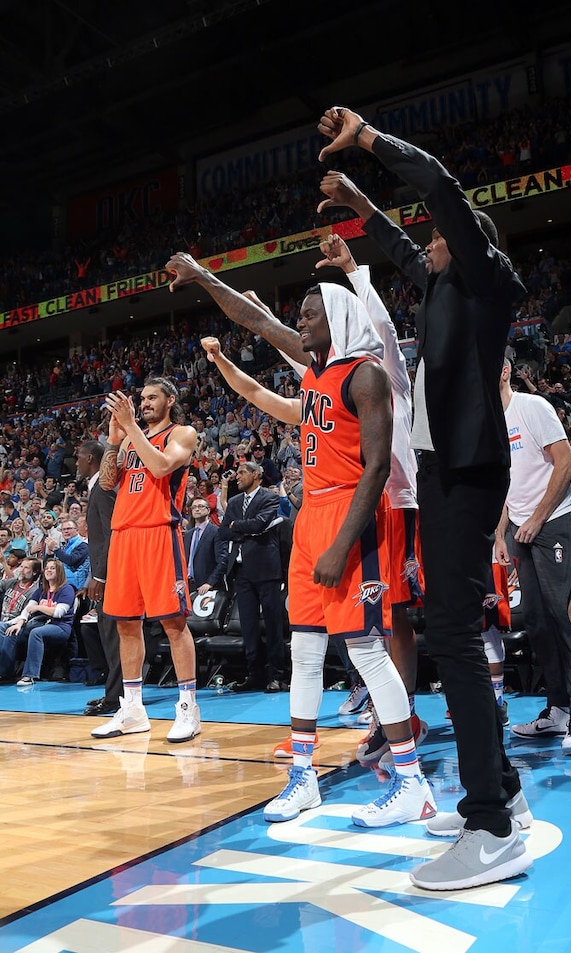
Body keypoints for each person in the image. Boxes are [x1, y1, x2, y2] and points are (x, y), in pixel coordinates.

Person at [314, 105, 530, 889]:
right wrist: (361, 215)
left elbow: (438, 190)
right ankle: (504, 792)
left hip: (467, 470)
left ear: (470, 241)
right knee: (452, 631)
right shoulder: (446, 284)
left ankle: (491, 824)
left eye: (443, 234)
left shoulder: (482, 280)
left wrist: (370, 140)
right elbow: (407, 246)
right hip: (448, 469)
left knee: (452, 634)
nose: (429, 243)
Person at [166, 253, 436, 828]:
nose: (301, 321)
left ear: (337, 318)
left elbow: (377, 466)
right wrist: (204, 277)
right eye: (301, 314)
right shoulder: (315, 373)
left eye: (311, 314)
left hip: (352, 516)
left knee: (364, 648)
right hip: (311, 515)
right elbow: (257, 322)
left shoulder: (365, 375)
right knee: (306, 651)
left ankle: (412, 781)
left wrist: (342, 543)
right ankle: (304, 776)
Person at [311, 228, 428, 760]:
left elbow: (378, 324)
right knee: (374, 621)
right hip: (364, 504)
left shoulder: (383, 370)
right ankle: (392, 713)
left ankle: (403, 718)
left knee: (395, 615)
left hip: (397, 500)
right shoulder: (335, 374)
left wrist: (355, 271)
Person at [90, 377, 201, 744]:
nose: (145, 402)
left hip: (159, 532)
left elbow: (160, 467)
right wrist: (112, 438)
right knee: (124, 624)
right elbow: (107, 483)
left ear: (170, 400)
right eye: (142, 398)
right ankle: (133, 709)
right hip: (124, 535)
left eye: (152, 397)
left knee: (172, 622)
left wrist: (132, 427)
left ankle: (188, 708)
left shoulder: (182, 433)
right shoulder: (127, 440)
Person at [496, 357, 571, 752]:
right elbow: (505, 483)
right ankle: (556, 709)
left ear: (503, 370)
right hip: (520, 527)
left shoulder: (531, 407)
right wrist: (500, 534)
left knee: (563, 611)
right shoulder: (491, 422)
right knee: (535, 620)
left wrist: (537, 519)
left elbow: (567, 463)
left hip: (554, 520)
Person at [217, 460, 287, 692]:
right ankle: (254, 675)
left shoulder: (269, 497)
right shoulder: (235, 502)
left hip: (267, 571)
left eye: (242, 472)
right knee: (248, 627)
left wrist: (240, 526)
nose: (237, 476)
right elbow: (224, 531)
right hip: (242, 572)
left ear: (257, 475)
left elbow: (259, 524)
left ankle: (277, 675)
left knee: (274, 625)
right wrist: (243, 527)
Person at [75, 440, 123, 719]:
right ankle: (114, 692)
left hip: (111, 574)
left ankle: (117, 696)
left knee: (114, 635)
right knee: (109, 634)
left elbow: (111, 533)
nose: (76, 462)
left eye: (78, 457)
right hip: (106, 572)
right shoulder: (97, 488)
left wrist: (99, 575)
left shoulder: (103, 490)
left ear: (90, 457)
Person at [0, 559, 75, 687]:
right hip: (40, 623)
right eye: (47, 568)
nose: (49, 571)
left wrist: (39, 607)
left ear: (60, 572)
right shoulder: (41, 590)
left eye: (52, 568)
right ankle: (5, 673)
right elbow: (27, 610)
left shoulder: (66, 589)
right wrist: (19, 623)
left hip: (60, 626)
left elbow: (58, 612)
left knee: (36, 633)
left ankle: (30, 675)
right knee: (10, 630)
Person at [0, 558, 42, 680]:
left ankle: (4, 673)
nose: (21, 570)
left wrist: (6, 623)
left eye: (26, 568)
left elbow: (25, 615)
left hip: (19, 625)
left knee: (5, 630)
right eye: (21, 567)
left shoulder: (34, 591)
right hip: (3, 622)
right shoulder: (12, 583)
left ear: (34, 572)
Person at [185, 497, 227, 594]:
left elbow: (222, 560)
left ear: (208, 510)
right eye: (194, 507)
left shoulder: (216, 532)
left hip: (208, 587)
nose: (197, 509)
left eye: (200, 506)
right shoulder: (188, 535)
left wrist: (210, 583)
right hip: (189, 586)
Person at [45, 516, 90, 593]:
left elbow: (71, 560)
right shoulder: (64, 546)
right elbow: (48, 564)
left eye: (69, 528)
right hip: (59, 584)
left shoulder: (83, 545)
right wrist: (49, 552)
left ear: (77, 530)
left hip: (73, 587)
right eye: (63, 529)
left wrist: (56, 549)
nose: (66, 531)